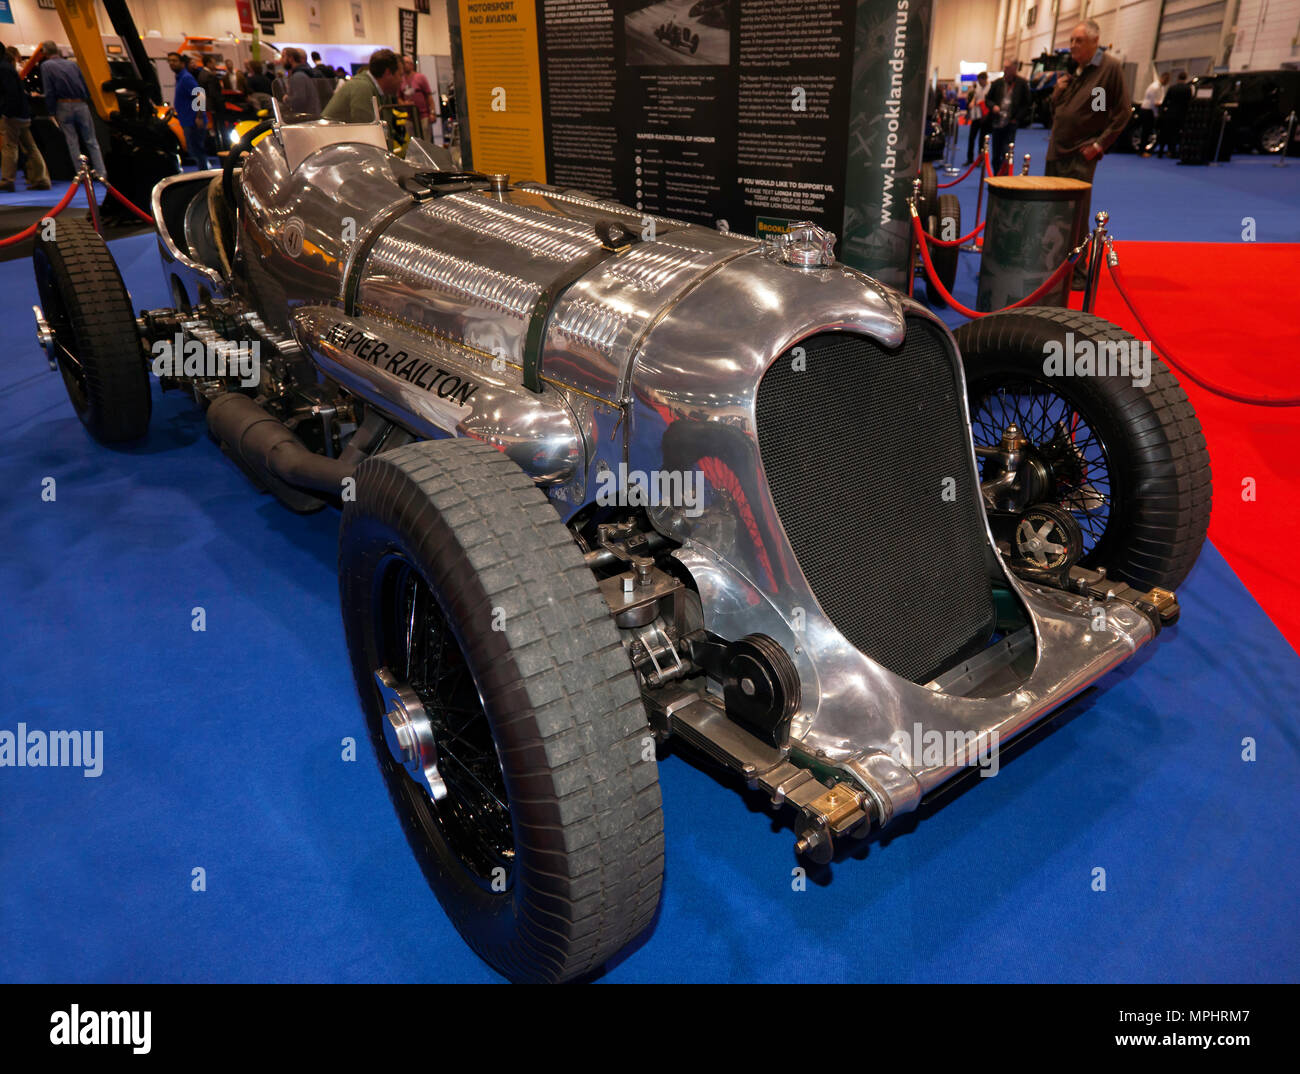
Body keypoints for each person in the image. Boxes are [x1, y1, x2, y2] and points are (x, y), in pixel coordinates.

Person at [1047, 20, 1130, 287]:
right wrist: (1058, 92)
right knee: (1054, 213)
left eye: (1078, 40)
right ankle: (1055, 268)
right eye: (1071, 40)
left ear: (1095, 41)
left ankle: (1079, 275)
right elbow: (1056, 111)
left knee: (1077, 217)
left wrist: (1099, 146)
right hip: (1057, 152)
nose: (1072, 46)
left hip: (1079, 156)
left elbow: (1123, 112)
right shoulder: (1078, 70)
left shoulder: (1109, 68)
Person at [38, 41, 107, 178]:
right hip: (81, 104)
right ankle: (101, 172)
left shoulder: (46, 66)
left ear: (45, 53)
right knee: (91, 140)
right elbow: (84, 84)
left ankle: (81, 174)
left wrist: (51, 111)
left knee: (72, 141)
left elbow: (49, 90)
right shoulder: (72, 64)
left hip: (63, 105)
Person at [0, 42, 51, 191]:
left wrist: (6, 112)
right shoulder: (8, 68)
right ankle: (41, 179)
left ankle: (7, 180)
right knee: (30, 147)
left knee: (9, 147)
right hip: (22, 113)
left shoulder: (2, 69)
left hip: (12, 115)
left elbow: (10, 93)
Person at [322, 48, 402, 123]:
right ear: (388, 73)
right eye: (400, 75)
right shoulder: (362, 89)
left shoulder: (376, 90)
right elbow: (367, 131)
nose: (401, 81)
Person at [985, 61, 1030, 174]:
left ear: (1014, 70)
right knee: (996, 153)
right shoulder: (997, 83)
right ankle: (996, 174)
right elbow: (988, 100)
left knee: (1007, 152)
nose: (1006, 70)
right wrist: (993, 106)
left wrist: (1018, 118)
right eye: (1005, 68)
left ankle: (1005, 177)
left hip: (1011, 123)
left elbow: (1027, 103)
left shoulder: (1022, 84)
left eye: (1008, 68)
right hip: (997, 122)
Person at [166, 51, 207, 165]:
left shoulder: (186, 78)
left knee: (197, 152)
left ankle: (203, 177)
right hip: (187, 120)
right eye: (169, 61)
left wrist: (199, 117)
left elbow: (200, 95)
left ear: (182, 63)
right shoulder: (180, 78)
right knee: (194, 151)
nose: (171, 63)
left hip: (193, 121)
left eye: (174, 61)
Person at [1157, 69, 1191, 158]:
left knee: (1165, 133)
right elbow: (1189, 103)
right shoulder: (1188, 89)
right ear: (1186, 78)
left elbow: (1165, 102)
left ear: (1177, 78)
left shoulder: (1172, 88)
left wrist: (1162, 112)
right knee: (1175, 134)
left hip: (1169, 114)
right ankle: (1172, 152)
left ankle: (1160, 152)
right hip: (1180, 115)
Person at [280, 48, 321, 120]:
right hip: (311, 118)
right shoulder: (303, 74)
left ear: (291, 59)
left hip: (306, 120)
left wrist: (286, 99)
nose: (281, 60)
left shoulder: (298, 76)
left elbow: (298, 100)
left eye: (283, 57)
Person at [400, 55, 434, 140]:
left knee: (425, 142)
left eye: (407, 63)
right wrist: (404, 104)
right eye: (403, 63)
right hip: (409, 118)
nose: (405, 65)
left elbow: (428, 95)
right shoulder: (400, 79)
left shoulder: (420, 77)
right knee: (413, 143)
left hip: (423, 116)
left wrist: (432, 113)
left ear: (412, 65)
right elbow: (398, 97)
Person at [1139, 71, 1168, 155]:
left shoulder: (1160, 87)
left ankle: (1143, 149)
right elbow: (1153, 103)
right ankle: (1142, 151)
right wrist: (1156, 115)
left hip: (1150, 110)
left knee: (1147, 132)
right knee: (1145, 131)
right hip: (1147, 110)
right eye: (1166, 80)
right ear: (1163, 78)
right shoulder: (1154, 87)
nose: (1166, 83)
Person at [965, 70, 989, 164]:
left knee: (981, 140)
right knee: (971, 138)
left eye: (980, 80)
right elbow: (975, 97)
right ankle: (970, 159)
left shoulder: (990, 88)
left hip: (985, 117)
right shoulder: (978, 87)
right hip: (976, 116)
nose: (979, 82)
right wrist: (972, 102)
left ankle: (980, 159)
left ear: (984, 79)